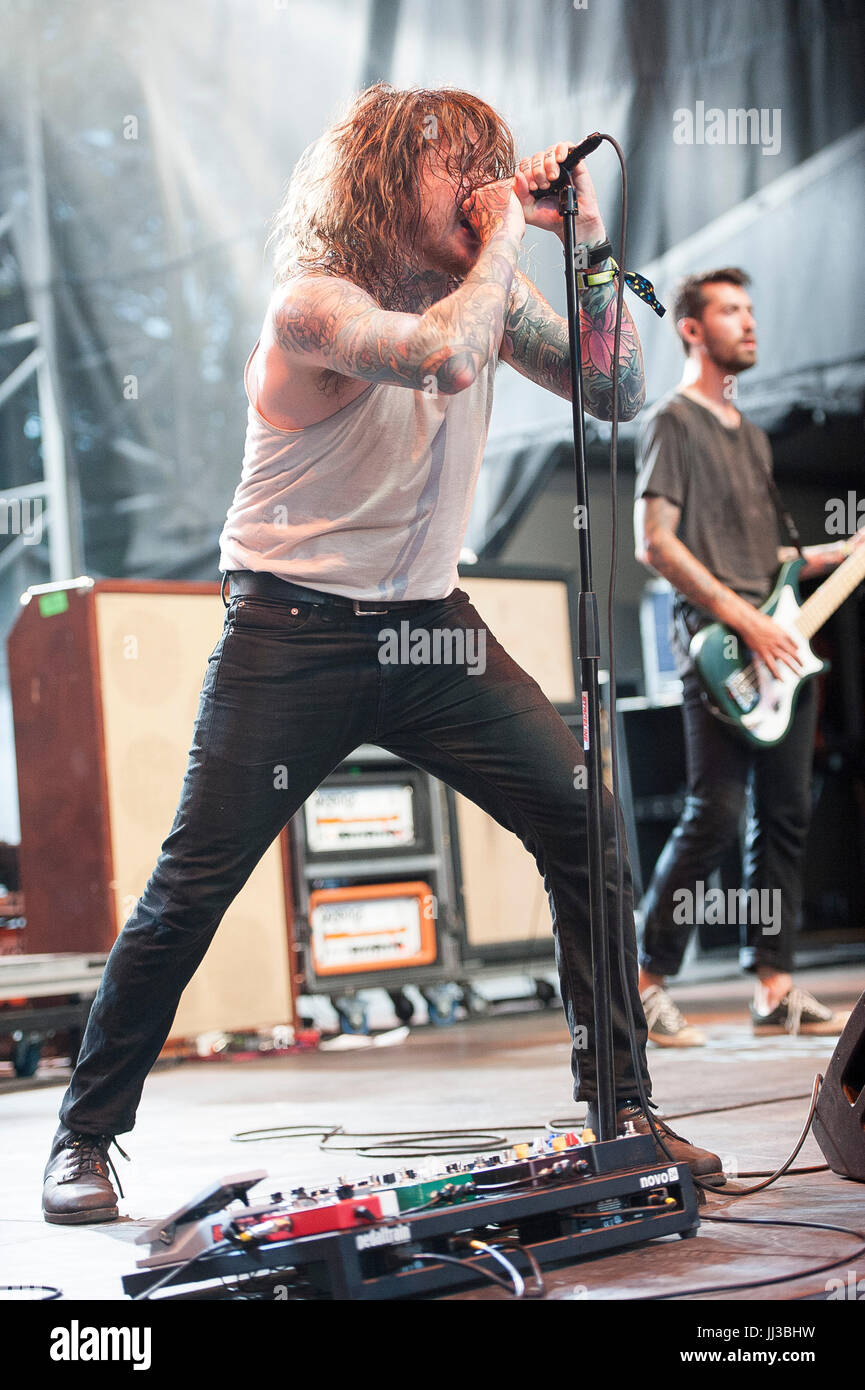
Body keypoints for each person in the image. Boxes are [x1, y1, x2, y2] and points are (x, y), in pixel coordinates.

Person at [43, 84, 723, 1225]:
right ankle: (85, 1135)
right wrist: (509, 238)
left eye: (487, 162)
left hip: (429, 626)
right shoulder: (315, 305)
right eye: (450, 163)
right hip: (289, 630)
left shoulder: (485, 299)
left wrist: (590, 238)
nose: (478, 181)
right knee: (191, 887)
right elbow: (444, 361)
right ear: (375, 182)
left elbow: (614, 388)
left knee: (584, 816)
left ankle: (620, 1109)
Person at [633, 267, 861, 1048]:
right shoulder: (672, 422)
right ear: (691, 329)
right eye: (730, 311)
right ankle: (645, 981)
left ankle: (773, 985)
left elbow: (768, 555)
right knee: (715, 813)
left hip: (778, 644)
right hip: (721, 647)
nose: (749, 324)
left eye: (751, 310)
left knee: (787, 813)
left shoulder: (751, 434)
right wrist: (744, 622)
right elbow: (654, 542)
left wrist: (837, 553)